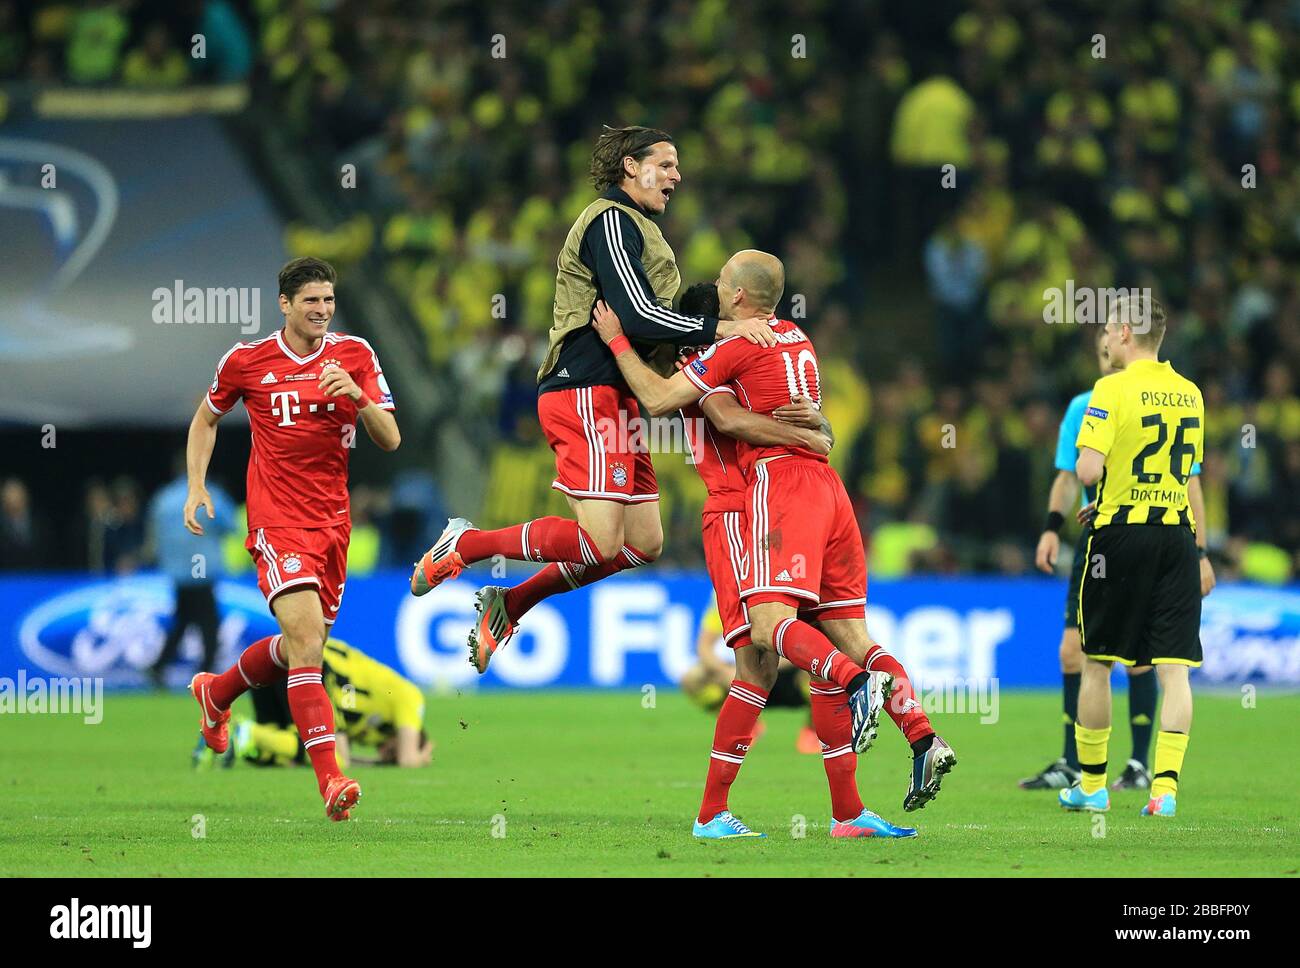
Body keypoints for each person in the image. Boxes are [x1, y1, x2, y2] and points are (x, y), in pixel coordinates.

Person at [592, 250, 956, 818]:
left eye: (723, 283)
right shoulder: (796, 341)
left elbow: (690, 407)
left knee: (770, 645)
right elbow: (795, 415)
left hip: (752, 507)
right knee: (825, 640)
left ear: (735, 299)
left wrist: (617, 340)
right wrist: (817, 435)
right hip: (820, 491)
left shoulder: (723, 355)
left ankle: (848, 700)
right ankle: (907, 748)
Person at [406, 126, 776, 675]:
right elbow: (635, 316)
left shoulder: (644, 231)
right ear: (631, 166)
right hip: (584, 387)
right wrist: (721, 328)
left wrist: (696, 332)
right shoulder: (611, 220)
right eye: (666, 164)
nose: (677, 176)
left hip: (618, 398)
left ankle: (512, 602)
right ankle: (469, 542)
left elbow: (655, 322)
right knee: (601, 542)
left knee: (643, 542)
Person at [183, 256, 401, 822]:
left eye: (328, 301)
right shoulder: (247, 361)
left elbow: (391, 438)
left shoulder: (355, 355)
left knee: (299, 649)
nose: (323, 311)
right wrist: (196, 486)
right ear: (285, 304)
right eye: (311, 301)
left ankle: (218, 692)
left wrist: (357, 395)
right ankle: (331, 781)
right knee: (306, 647)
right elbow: (205, 419)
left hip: (333, 525)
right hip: (276, 522)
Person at [1023, 330, 1214, 790]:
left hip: (1116, 537)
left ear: (1124, 339)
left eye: (1109, 337)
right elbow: (1070, 477)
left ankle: (1121, 771)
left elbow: (1184, 482)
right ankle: (1091, 767)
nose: (1106, 350)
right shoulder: (1179, 395)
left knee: (1110, 659)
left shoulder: (1117, 397)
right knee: (1084, 653)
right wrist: (1053, 525)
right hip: (1145, 538)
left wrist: (1114, 502)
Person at [215, 638, 432, 770]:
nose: (384, 751)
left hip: (281, 659)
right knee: (334, 758)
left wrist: (376, 763)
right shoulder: (410, 698)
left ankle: (222, 739)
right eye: (392, 749)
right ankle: (249, 733)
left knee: (279, 757)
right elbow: (408, 759)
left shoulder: (370, 721)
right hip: (315, 667)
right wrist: (422, 756)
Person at [148, 454, 235, 686]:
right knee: (210, 624)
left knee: (183, 620)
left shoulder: (163, 498)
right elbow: (230, 525)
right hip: (203, 571)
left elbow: (154, 537)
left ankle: (158, 666)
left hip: (177, 572)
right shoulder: (211, 494)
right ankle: (205, 674)